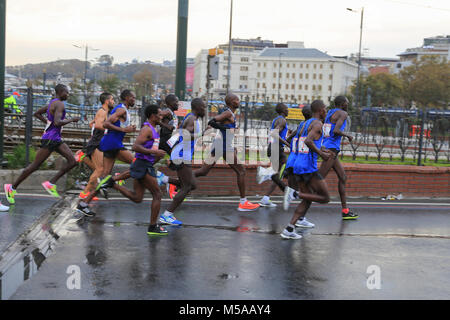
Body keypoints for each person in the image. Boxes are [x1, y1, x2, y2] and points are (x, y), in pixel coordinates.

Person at [100, 104, 169, 235]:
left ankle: (113, 184)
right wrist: (153, 153)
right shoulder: (147, 129)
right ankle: (153, 226)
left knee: (137, 198)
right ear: (153, 116)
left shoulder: (154, 129)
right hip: (143, 165)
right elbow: (135, 146)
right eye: (159, 115)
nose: (161, 117)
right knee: (157, 194)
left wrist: (155, 155)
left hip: (145, 164)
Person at [4, 85, 80, 204]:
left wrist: (48, 125)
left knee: (73, 161)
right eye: (67, 92)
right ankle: (11, 188)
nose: (68, 95)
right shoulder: (59, 104)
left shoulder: (52, 103)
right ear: (61, 92)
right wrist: (72, 120)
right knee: (34, 166)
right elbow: (57, 122)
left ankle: (51, 183)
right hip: (51, 139)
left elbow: (37, 113)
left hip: (55, 138)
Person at [195, 93, 260, 212]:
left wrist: (231, 140)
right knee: (241, 171)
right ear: (231, 102)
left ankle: (178, 182)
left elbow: (222, 128)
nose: (239, 101)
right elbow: (212, 122)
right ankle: (243, 202)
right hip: (223, 146)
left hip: (220, 144)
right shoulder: (228, 113)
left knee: (204, 171)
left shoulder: (229, 113)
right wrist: (229, 129)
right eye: (236, 99)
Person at [76, 90, 137, 217]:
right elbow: (106, 124)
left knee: (104, 177)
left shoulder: (122, 109)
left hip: (111, 143)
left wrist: (127, 129)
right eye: (132, 97)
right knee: (137, 163)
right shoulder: (121, 110)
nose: (134, 99)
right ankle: (116, 180)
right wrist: (124, 129)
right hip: (113, 143)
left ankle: (84, 204)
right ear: (126, 98)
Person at [281, 100, 332, 240]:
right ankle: (294, 194)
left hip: (298, 163)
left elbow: (304, 142)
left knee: (308, 199)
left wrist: (321, 150)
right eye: (325, 109)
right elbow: (308, 141)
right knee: (325, 197)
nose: (326, 112)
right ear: (321, 110)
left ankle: (289, 228)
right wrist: (321, 154)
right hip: (307, 166)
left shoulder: (304, 124)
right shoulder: (317, 124)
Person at [159, 98, 206, 226]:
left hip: (182, 154)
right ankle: (167, 215)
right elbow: (185, 135)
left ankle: (163, 179)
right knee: (187, 186)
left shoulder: (191, 118)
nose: (205, 109)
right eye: (204, 107)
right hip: (181, 155)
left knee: (191, 185)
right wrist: (200, 135)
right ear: (197, 108)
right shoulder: (192, 119)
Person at [319, 96, 358, 220]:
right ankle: (295, 193)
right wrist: (347, 135)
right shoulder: (343, 113)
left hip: (329, 148)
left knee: (342, 177)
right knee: (318, 180)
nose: (348, 104)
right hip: (331, 150)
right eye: (347, 102)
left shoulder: (331, 112)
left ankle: (345, 210)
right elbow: (336, 130)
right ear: (342, 104)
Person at [74, 92, 115, 200]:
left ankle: (83, 157)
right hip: (97, 143)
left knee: (99, 169)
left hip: (97, 141)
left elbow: (91, 123)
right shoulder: (102, 112)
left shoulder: (104, 112)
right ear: (107, 101)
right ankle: (85, 193)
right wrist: (109, 129)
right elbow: (97, 125)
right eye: (112, 99)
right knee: (100, 170)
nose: (113, 102)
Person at [258, 103, 290, 207]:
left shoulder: (277, 119)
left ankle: (265, 198)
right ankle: (265, 173)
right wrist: (287, 144)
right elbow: (274, 134)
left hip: (274, 148)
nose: (288, 110)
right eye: (286, 109)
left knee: (279, 174)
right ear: (282, 111)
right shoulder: (282, 120)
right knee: (284, 169)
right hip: (276, 149)